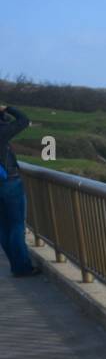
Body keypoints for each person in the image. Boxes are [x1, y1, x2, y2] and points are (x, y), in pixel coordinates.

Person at [0, 104, 40, 278]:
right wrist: (7, 108)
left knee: (3, 226)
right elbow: (23, 120)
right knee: (16, 224)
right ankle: (22, 267)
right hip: (8, 181)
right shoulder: (2, 132)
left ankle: (16, 266)